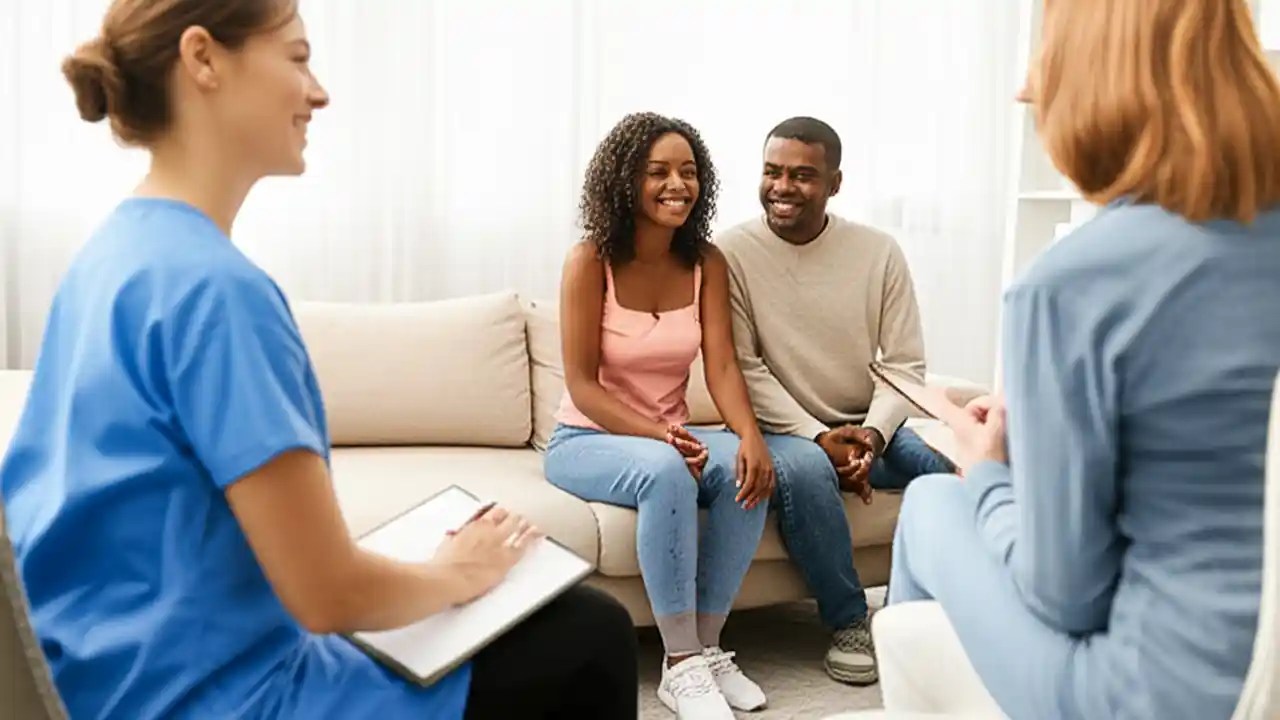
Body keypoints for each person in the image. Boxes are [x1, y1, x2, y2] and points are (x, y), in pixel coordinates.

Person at [0, 1, 638, 719]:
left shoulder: (109, 255)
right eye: (297, 57)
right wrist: (455, 572)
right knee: (593, 633)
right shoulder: (216, 291)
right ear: (203, 58)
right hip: (218, 698)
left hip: (105, 679)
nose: (319, 91)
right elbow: (329, 595)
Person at [880, 0, 1280, 718]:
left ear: (1097, 73)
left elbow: (1066, 596)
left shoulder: (1072, 283)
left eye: (1049, 49)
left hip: (1154, 692)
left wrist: (990, 471)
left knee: (937, 498)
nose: (1025, 87)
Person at [545, 111, 775, 720]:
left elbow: (722, 367)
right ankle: (679, 665)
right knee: (666, 471)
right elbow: (582, 385)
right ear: (627, 181)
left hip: (671, 435)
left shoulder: (706, 262)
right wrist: (661, 435)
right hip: (588, 438)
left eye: (689, 171)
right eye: (658, 172)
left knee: (749, 469)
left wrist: (749, 435)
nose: (678, 184)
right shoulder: (589, 261)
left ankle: (705, 648)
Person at [715, 116, 955, 685]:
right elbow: (745, 367)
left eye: (802, 175)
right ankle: (850, 621)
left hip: (865, 423)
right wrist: (818, 438)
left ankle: (903, 617)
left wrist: (870, 436)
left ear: (834, 183)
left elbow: (903, 364)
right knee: (806, 475)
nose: (782, 186)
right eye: (772, 172)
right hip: (784, 429)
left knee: (942, 478)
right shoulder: (729, 254)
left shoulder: (878, 252)